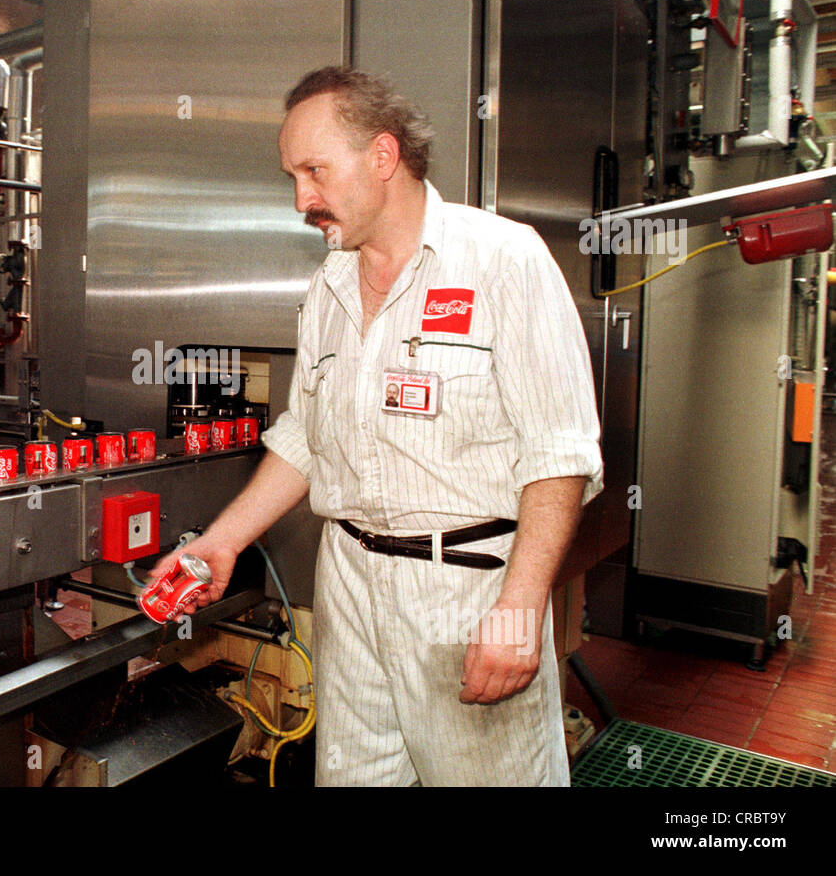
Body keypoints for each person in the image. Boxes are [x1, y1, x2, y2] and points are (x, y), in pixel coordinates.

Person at [149, 66, 603, 787]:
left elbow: (560, 453)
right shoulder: (328, 286)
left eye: (315, 170)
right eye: (292, 175)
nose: (302, 199)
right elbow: (306, 435)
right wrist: (223, 539)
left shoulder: (503, 261)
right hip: (351, 588)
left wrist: (521, 607)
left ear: (383, 157)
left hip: (468, 590)